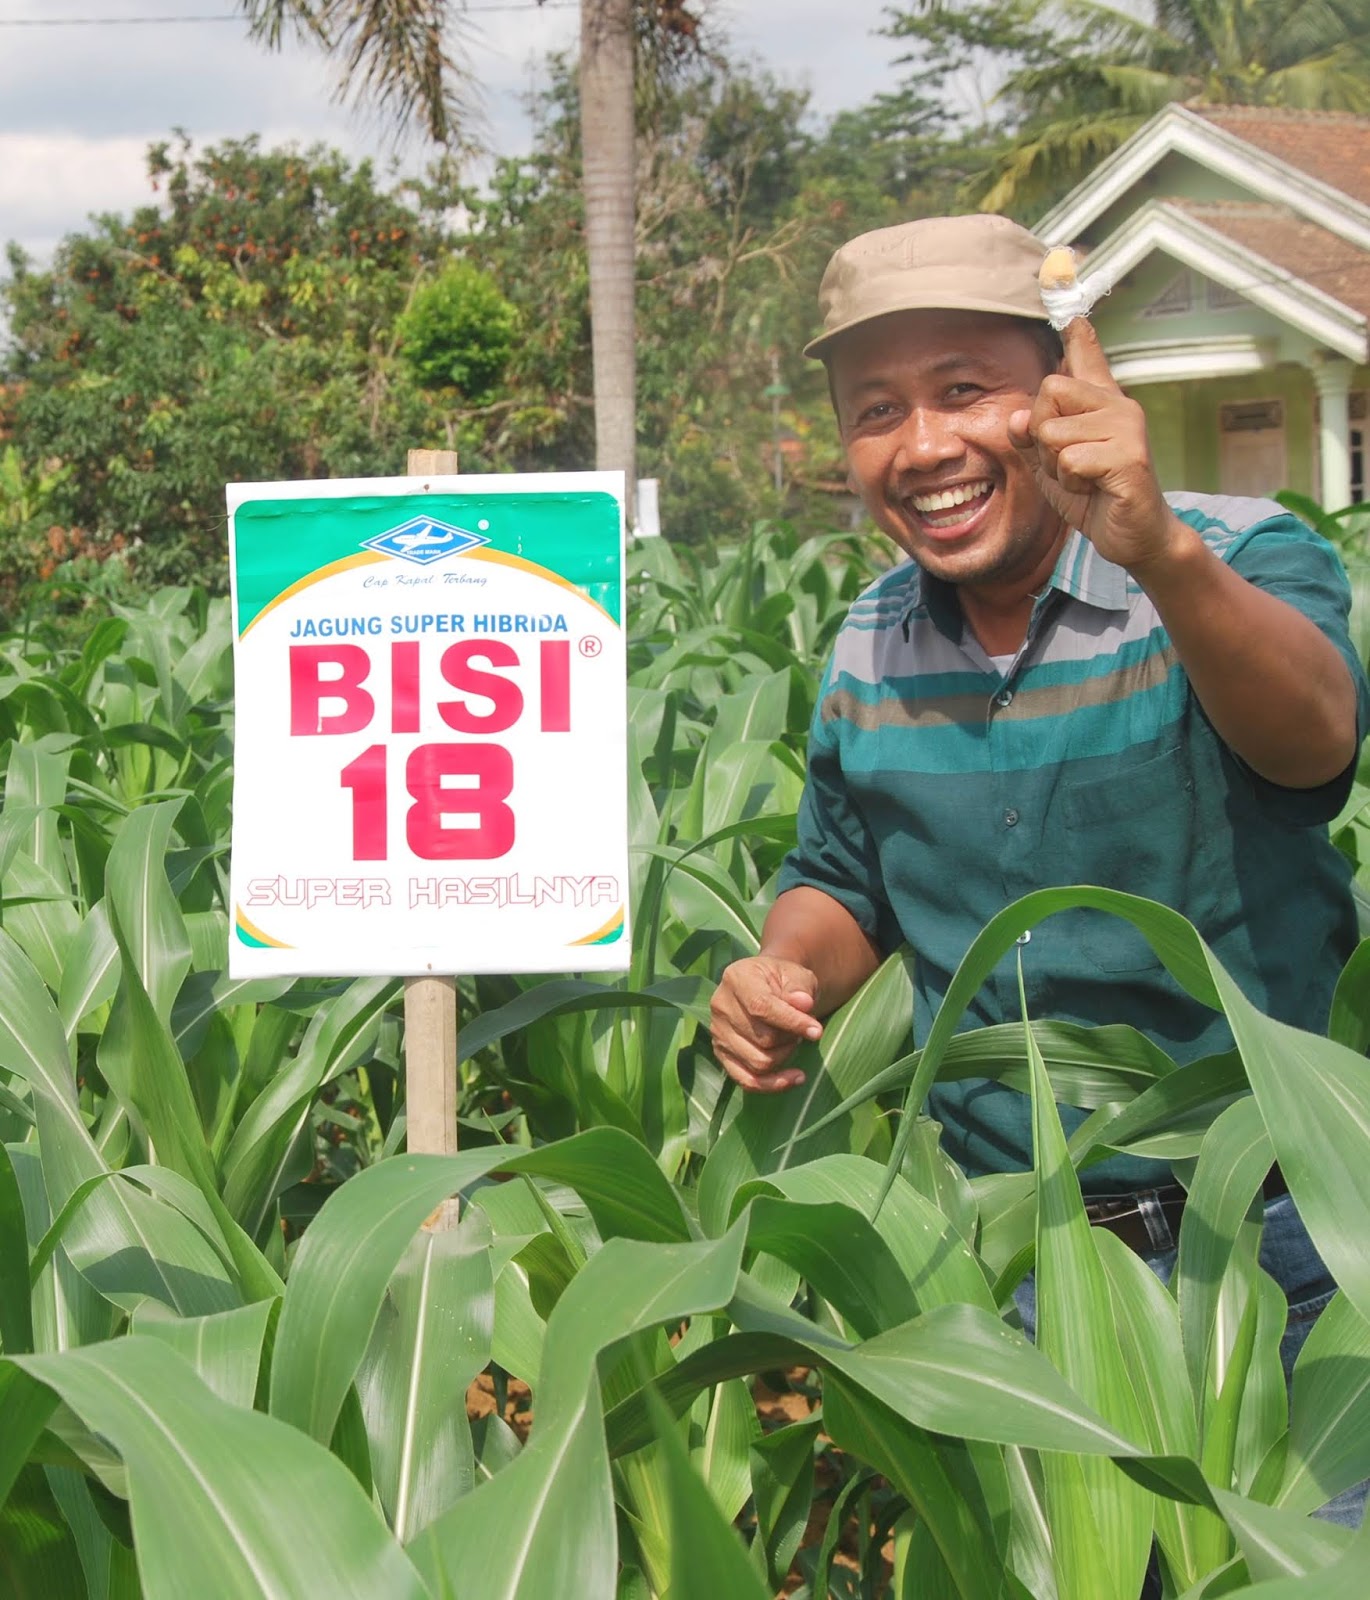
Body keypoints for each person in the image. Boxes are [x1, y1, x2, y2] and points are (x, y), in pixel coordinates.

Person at [709, 215, 1369, 1517]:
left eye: (965, 391)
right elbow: (846, 878)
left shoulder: (1237, 555)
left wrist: (1157, 554)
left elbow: (1311, 748)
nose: (924, 446)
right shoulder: (871, 642)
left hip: (1288, 1226)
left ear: (1065, 387)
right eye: (876, 410)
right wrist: (778, 969)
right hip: (1040, 1245)